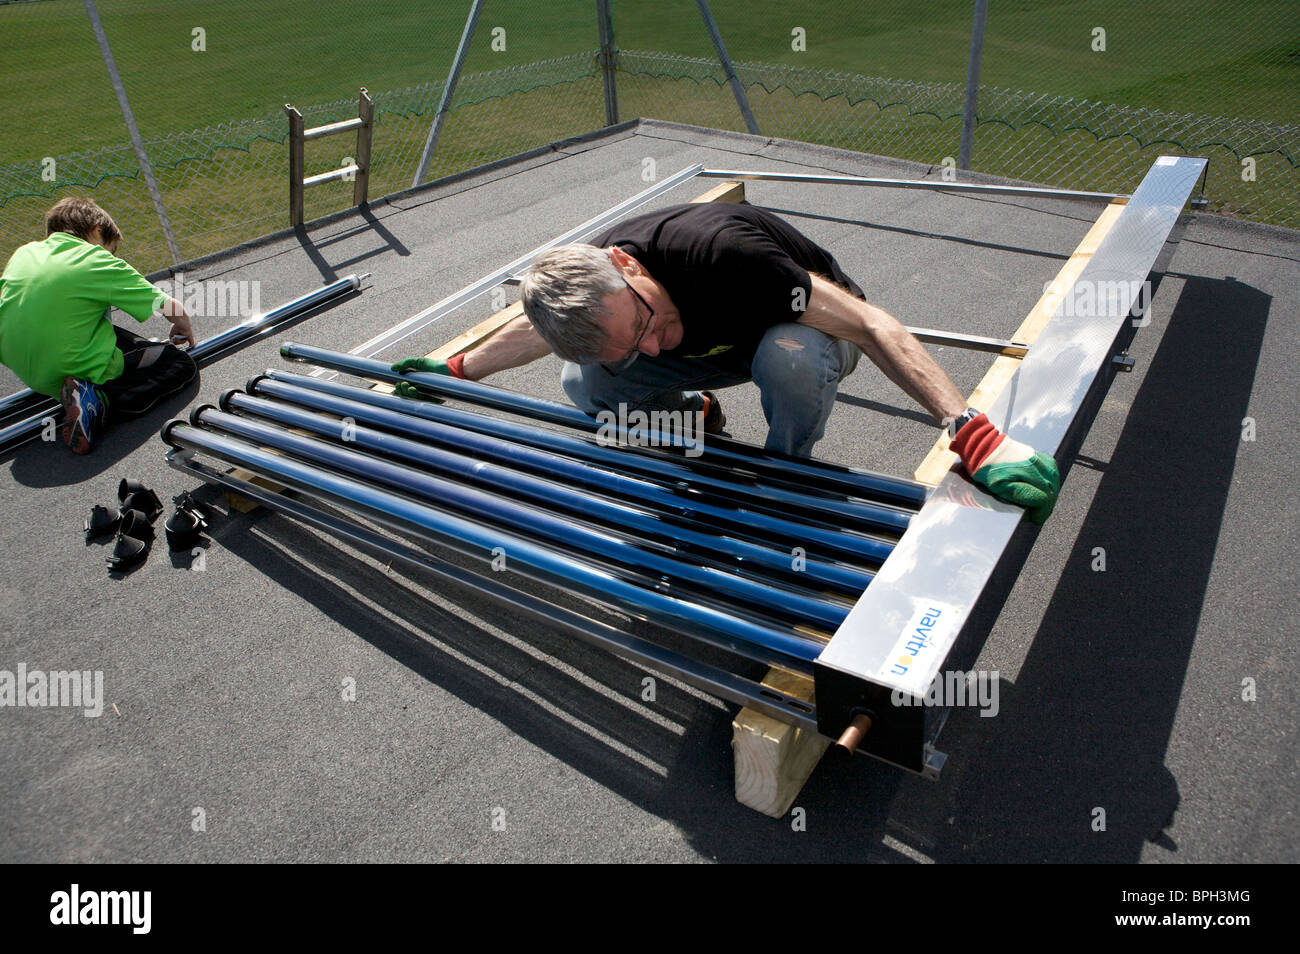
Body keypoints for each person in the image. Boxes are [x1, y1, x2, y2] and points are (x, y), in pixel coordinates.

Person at [392, 201, 1060, 523]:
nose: (649, 349)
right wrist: (457, 371)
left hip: (794, 334)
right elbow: (538, 334)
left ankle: (785, 477)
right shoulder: (596, 288)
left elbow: (871, 322)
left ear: (628, 265)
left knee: (788, 356)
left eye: (645, 324)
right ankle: (695, 416)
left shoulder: (724, 256)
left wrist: (969, 429)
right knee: (583, 381)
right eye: (634, 346)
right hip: (715, 350)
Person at [0, 197, 198, 454]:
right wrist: (183, 327)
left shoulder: (25, 253)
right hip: (73, 362)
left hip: (31, 372)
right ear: (96, 230)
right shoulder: (94, 257)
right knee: (179, 364)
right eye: (111, 249)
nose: (112, 255)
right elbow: (169, 307)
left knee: (91, 323)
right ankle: (101, 400)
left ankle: (78, 390)